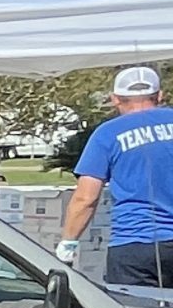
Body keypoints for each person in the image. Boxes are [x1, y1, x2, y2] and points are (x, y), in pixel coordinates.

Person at [66, 66, 173, 286]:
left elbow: (86, 198)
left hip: (134, 244)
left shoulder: (107, 134)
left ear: (115, 99)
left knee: (136, 307)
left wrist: (68, 243)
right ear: (160, 95)